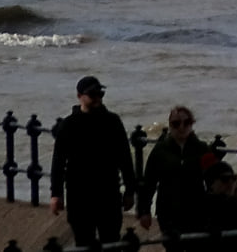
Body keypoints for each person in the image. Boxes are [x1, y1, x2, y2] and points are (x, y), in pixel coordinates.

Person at [49, 75, 138, 247]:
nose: (97, 98)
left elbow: (125, 158)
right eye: (92, 94)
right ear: (79, 96)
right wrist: (56, 194)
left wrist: (129, 190)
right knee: (83, 242)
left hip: (108, 193)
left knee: (111, 241)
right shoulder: (69, 125)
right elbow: (58, 162)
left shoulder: (112, 121)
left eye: (100, 94)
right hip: (79, 196)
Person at [139, 104, 216, 243]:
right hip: (168, 211)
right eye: (176, 124)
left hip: (196, 210)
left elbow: (214, 180)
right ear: (170, 125)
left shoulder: (202, 149)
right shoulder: (160, 150)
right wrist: (144, 211)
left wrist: (216, 209)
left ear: (192, 124)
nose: (181, 127)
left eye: (186, 123)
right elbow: (149, 182)